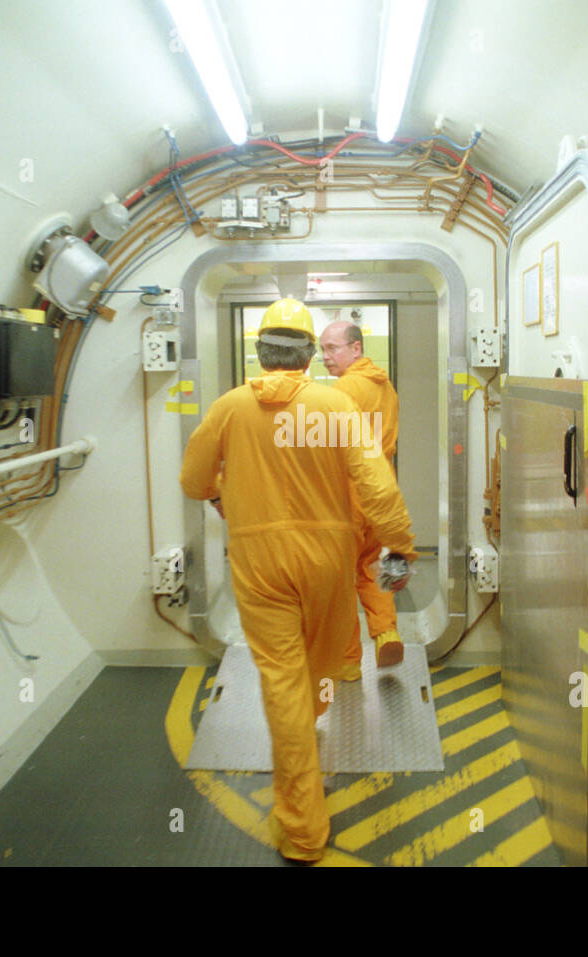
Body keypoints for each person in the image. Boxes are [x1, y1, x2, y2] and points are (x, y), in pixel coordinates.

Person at [180, 298, 417, 863]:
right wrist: (401, 547)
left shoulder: (230, 408)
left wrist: (219, 494)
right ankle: (306, 726)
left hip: (259, 561)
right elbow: (377, 486)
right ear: (310, 353)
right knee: (316, 663)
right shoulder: (334, 405)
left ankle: (304, 826)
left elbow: (192, 479)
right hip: (328, 559)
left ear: (259, 352)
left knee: (282, 678)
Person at [318, 319, 404, 680]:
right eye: (322, 349)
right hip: (381, 492)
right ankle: (386, 632)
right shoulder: (386, 388)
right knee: (370, 566)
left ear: (356, 348)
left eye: (332, 348)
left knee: (338, 581)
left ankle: (349, 661)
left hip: (347, 497)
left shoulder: (344, 390)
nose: (325, 357)